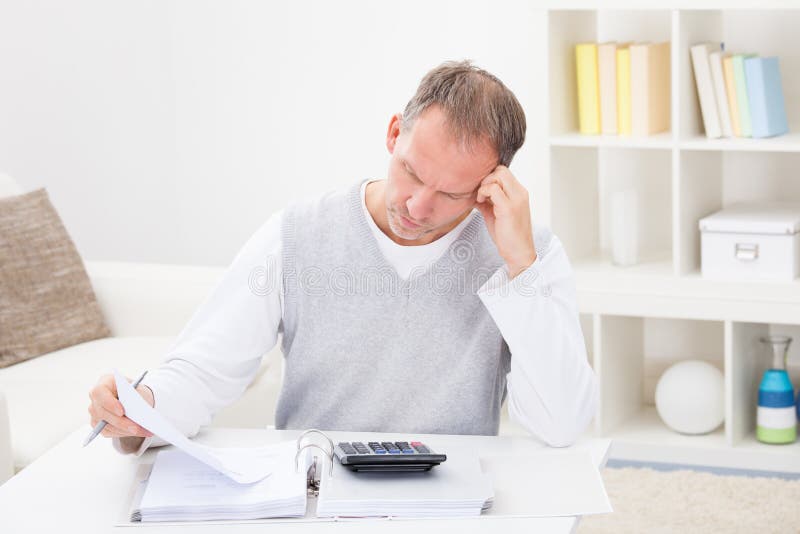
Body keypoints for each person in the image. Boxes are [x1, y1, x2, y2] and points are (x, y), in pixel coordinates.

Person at [88, 60, 598, 455]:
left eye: (450, 193)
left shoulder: (526, 254)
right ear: (394, 133)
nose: (417, 207)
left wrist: (521, 270)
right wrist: (142, 408)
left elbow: (561, 425)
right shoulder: (298, 233)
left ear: (490, 186)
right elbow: (205, 368)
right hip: (314, 493)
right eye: (412, 173)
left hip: (450, 499)